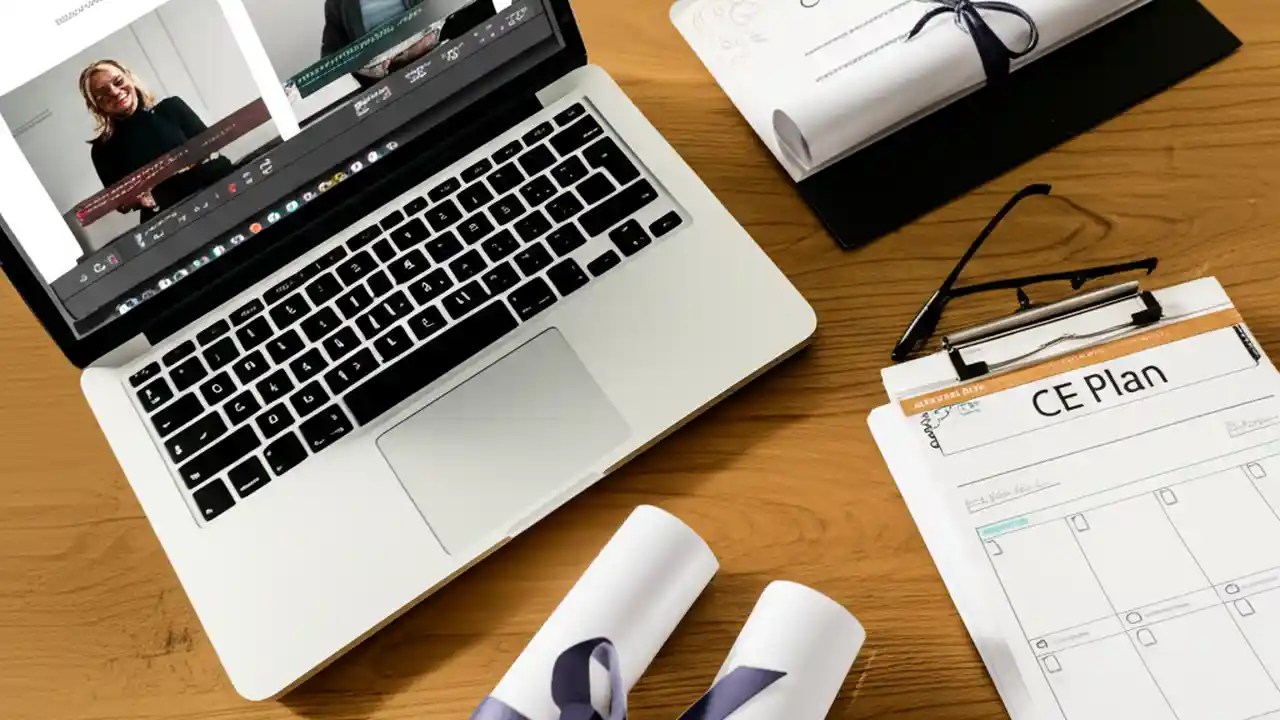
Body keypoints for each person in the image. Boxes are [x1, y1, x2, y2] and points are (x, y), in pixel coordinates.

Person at [80, 59, 233, 222]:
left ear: (129, 78)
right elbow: (121, 204)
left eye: (118, 82)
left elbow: (212, 145)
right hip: (168, 216)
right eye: (103, 94)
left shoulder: (172, 107)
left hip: (217, 187)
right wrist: (136, 199)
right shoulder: (102, 150)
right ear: (96, 105)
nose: (115, 92)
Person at [322, 0, 439, 86]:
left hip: (436, 56)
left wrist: (433, 35)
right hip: (385, 85)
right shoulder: (336, 4)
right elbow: (330, 65)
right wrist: (361, 68)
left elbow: (449, 7)